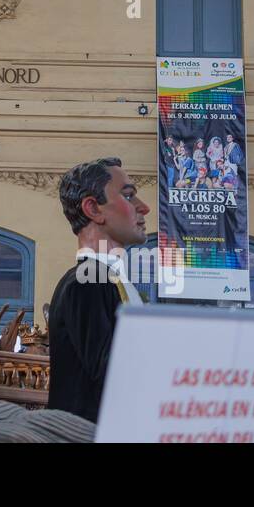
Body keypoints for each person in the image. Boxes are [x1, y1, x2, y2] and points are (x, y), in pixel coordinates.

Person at [45, 158, 149, 423]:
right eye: (128, 196)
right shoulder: (87, 280)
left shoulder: (108, 280)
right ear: (93, 208)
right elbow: (115, 376)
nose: (144, 208)